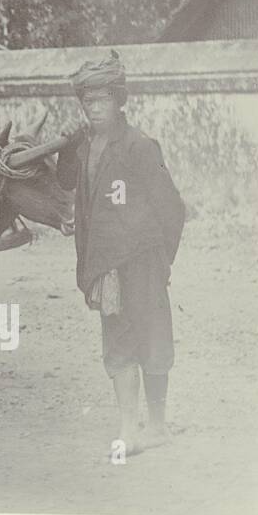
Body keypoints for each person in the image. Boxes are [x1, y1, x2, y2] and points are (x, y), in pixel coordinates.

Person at [57, 51, 185, 457]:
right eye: (87, 101)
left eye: (102, 100)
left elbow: (172, 208)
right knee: (118, 341)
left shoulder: (141, 146)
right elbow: (64, 181)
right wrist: (65, 145)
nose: (94, 109)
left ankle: (158, 426)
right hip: (105, 266)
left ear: (119, 100)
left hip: (143, 262)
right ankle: (129, 428)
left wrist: (161, 259)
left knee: (152, 336)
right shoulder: (85, 146)